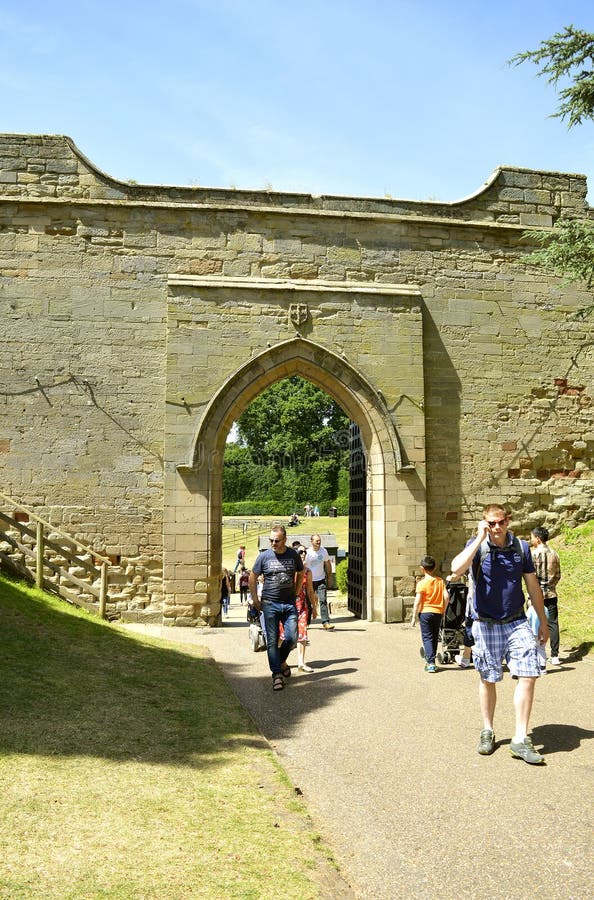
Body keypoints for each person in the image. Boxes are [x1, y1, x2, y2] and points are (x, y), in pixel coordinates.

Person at [451, 503, 549, 765]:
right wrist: (480, 538)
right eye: (491, 523)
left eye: (501, 522)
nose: (497, 528)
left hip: (516, 621)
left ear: (509, 520)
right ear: (485, 523)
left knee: (529, 673)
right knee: (488, 679)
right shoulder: (478, 544)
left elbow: (532, 586)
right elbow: (456, 569)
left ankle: (519, 738)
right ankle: (488, 729)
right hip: (485, 623)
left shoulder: (521, 548)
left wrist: (542, 620)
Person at [249, 525, 304, 691]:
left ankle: (279, 661)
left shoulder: (293, 555)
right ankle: (277, 675)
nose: (273, 543)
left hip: (288, 604)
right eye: (271, 540)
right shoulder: (264, 557)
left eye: (277, 540)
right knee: (272, 641)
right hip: (270, 604)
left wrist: (296, 591)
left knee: (293, 637)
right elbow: (252, 577)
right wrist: (255, 599)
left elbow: (301, 572)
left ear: (285, 539)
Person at [411, 556, 449, 672]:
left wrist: (414, 617)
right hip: (437, 612)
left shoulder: (421, 583)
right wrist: (443, 610)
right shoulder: (440, 581)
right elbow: (446, 596)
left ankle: (431, 662)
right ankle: (430, 658)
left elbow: (417, 602)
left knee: (427, 637)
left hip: (426, 612)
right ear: (435, 567)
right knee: (434, 636)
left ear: (422, 569)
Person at [530, 526, 562, 666]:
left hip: (536, 594)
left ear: (537, 538)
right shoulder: (554, 553)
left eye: (531, 537)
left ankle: (535, 652)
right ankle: (554, 655)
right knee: (553, 623)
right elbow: (558, 575)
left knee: (534, 622)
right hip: (551, 592)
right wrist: (550, 586)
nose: (530, 540)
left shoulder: (533, 554)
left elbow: (531, 576)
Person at [294, 546, 318, 673]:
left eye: (304, 552)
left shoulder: (308, 572)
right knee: (282, 635)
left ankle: (301, 663)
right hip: (288, 606)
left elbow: (310, 590)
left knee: (302, 633)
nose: (303, 554)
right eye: (300, 551)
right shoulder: (289, 570)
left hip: (302, 606)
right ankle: (279, 662)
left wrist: (314, 607)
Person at [305, 533, 334, 630]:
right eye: (316, 540)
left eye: (319, 540)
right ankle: (306, 623)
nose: (318, 542)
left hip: (321, 579)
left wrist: (329, 576)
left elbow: (328, 563)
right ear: (311, 541)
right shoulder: (308, 553)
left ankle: (326, 622)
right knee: (308, 602)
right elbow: (303, 567)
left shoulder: (323, 551)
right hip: (310, 581)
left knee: (323, 600)